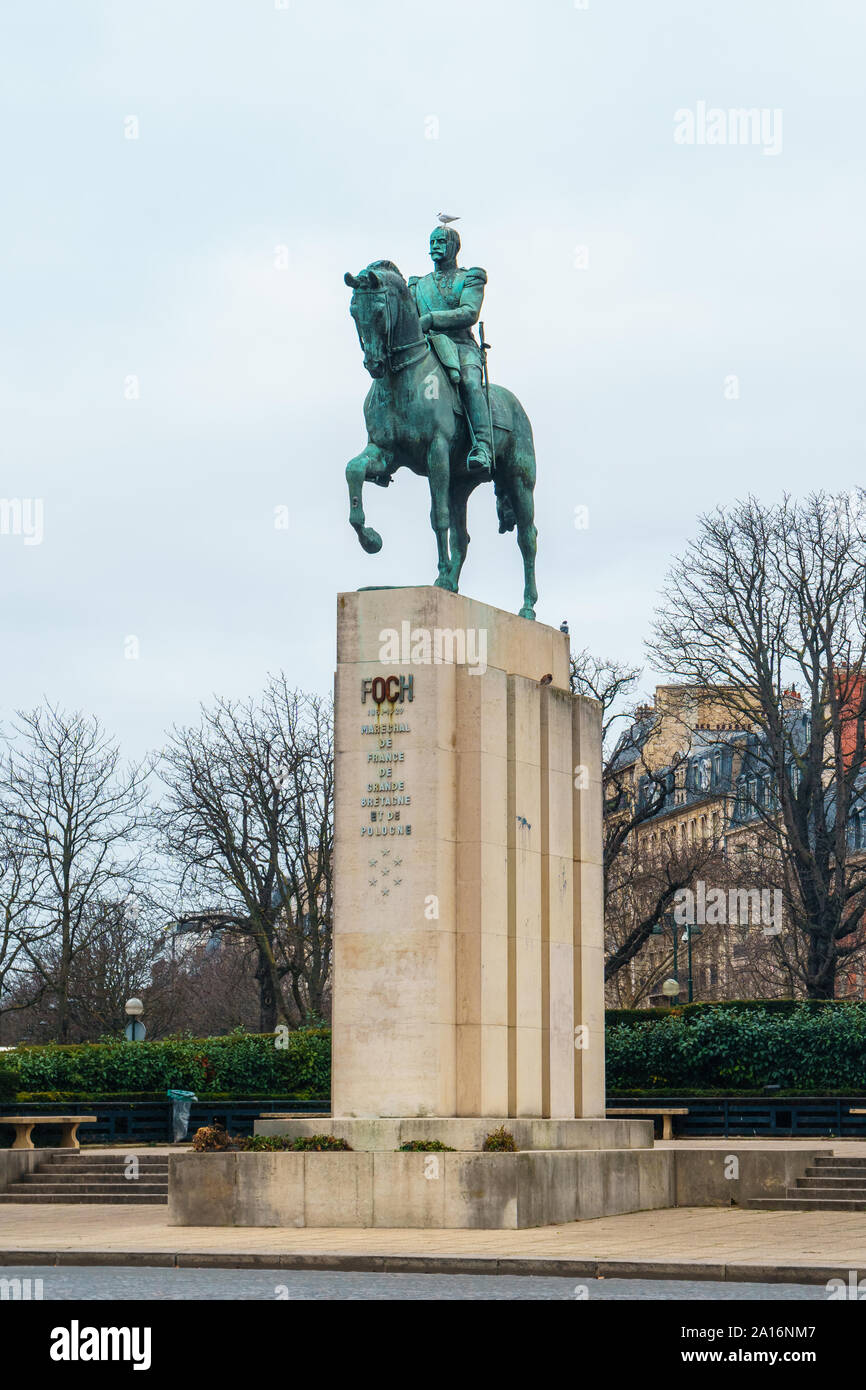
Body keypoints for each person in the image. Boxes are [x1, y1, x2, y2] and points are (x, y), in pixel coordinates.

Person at [409, 226, 493, 474]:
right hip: (427, 347)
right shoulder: (417, 285)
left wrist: (432, 319)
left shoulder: (469, 278)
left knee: (469, 382)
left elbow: (469, 312)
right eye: (432, 241)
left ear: (454, 247)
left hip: (461, 346)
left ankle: (483, 446)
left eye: (441, 241)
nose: (435, 246)